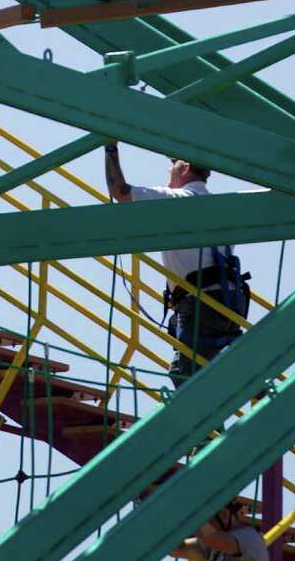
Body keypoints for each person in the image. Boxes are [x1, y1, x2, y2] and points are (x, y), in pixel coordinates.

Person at [103, 140, 248, 386]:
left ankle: (206, 424)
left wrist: (110, 149)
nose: (169, 170)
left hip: (202, 304)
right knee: (206, 376)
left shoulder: (177, 199)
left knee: (185, 376)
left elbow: (120, 191)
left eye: (173, 164)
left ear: (185, 167)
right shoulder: (219, 207)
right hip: (229, 305)